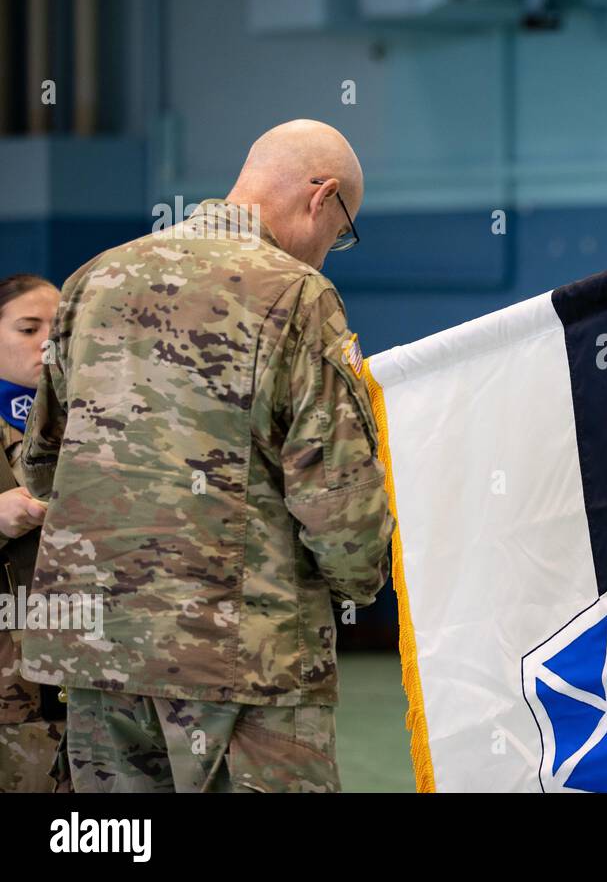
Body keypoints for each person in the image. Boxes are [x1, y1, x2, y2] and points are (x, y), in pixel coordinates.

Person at [19, 119, 394, 792]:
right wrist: (362, 580)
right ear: (323, 196)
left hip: (97, 649)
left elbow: (42, 463)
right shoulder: (298, 295)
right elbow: (341, 509)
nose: (329, 252)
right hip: (243, 659)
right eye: (341, 233)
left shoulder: (91, 280)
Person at [0, 274, 65, 792]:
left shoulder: (105, 424)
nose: (48, 339)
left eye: (59, 326)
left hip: (94, 678)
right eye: (28, 328)